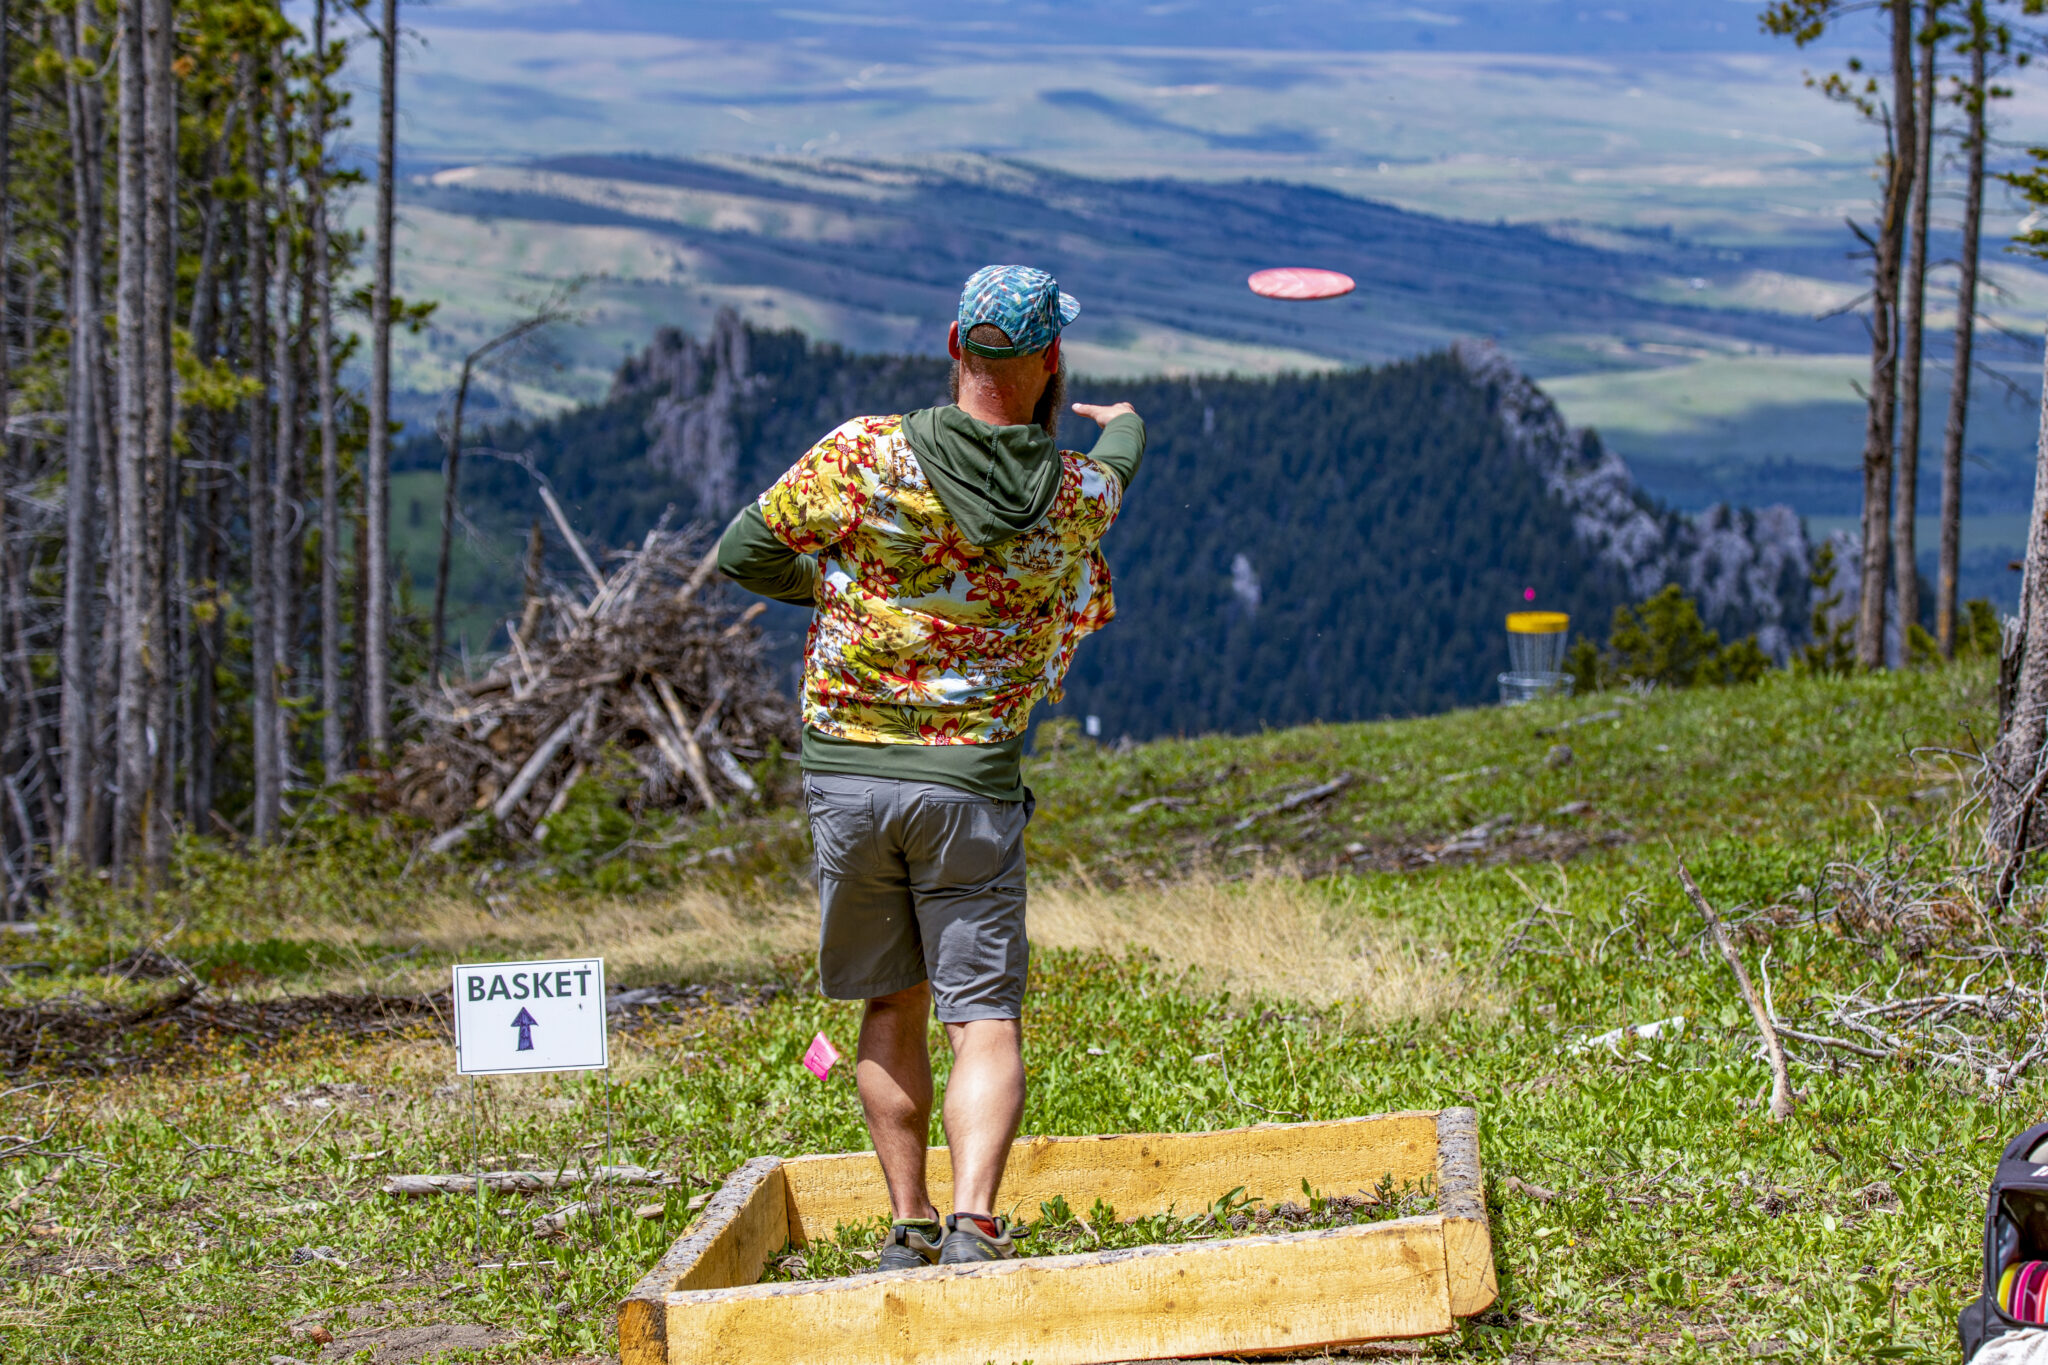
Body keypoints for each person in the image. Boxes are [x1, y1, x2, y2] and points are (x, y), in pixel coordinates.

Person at [716, 264, 1146, 1268]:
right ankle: (973, 1223)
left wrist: (844, 594)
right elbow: (1116, 464)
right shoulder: (1075, 496)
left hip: (850, 771)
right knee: (982, 1017)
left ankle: (905, 1225)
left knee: (888, 1004)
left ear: (957, 346)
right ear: (1047, 361)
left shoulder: (861, 454)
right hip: (971, 785)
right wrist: (1121, 421)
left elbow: (744, 553)